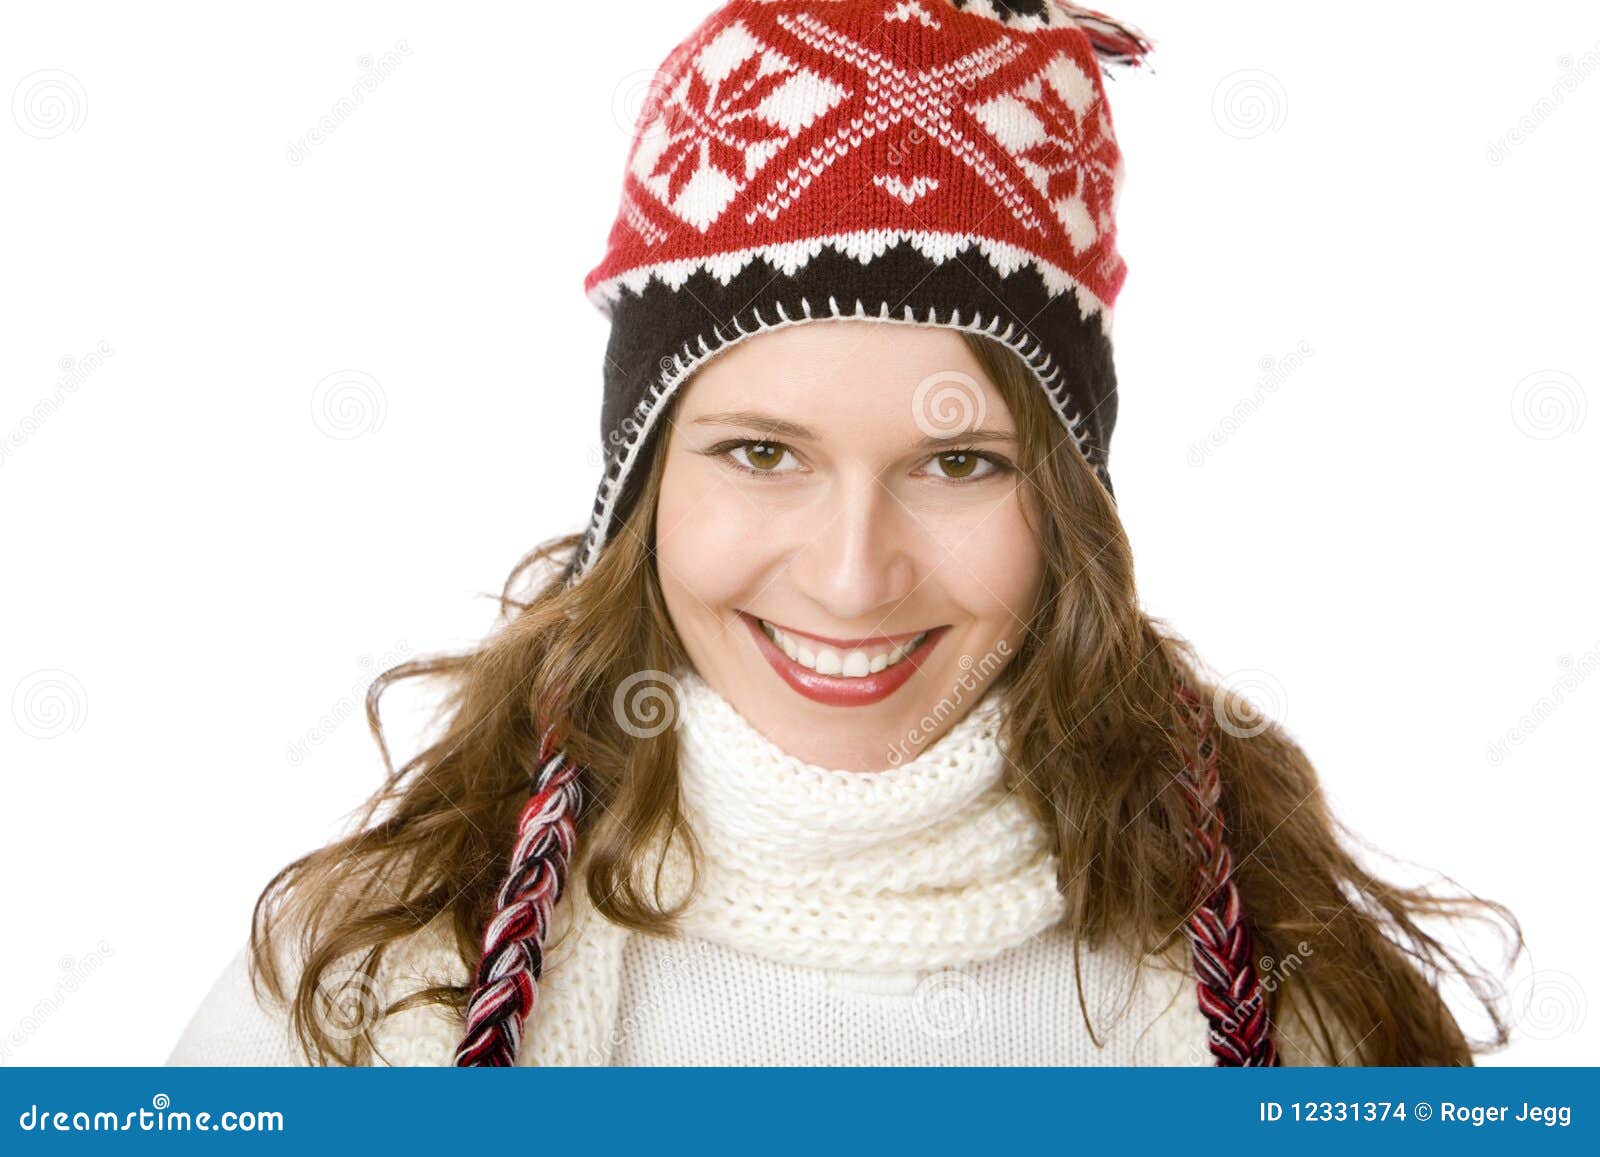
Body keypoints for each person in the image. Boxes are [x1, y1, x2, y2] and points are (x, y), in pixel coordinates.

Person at [167, 0, 1521, 1068]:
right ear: (640, 487)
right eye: (763, 453)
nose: (852, 575)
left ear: (1070, 506)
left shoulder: (1302, 999)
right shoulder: (361, 988)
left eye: (957, 462)